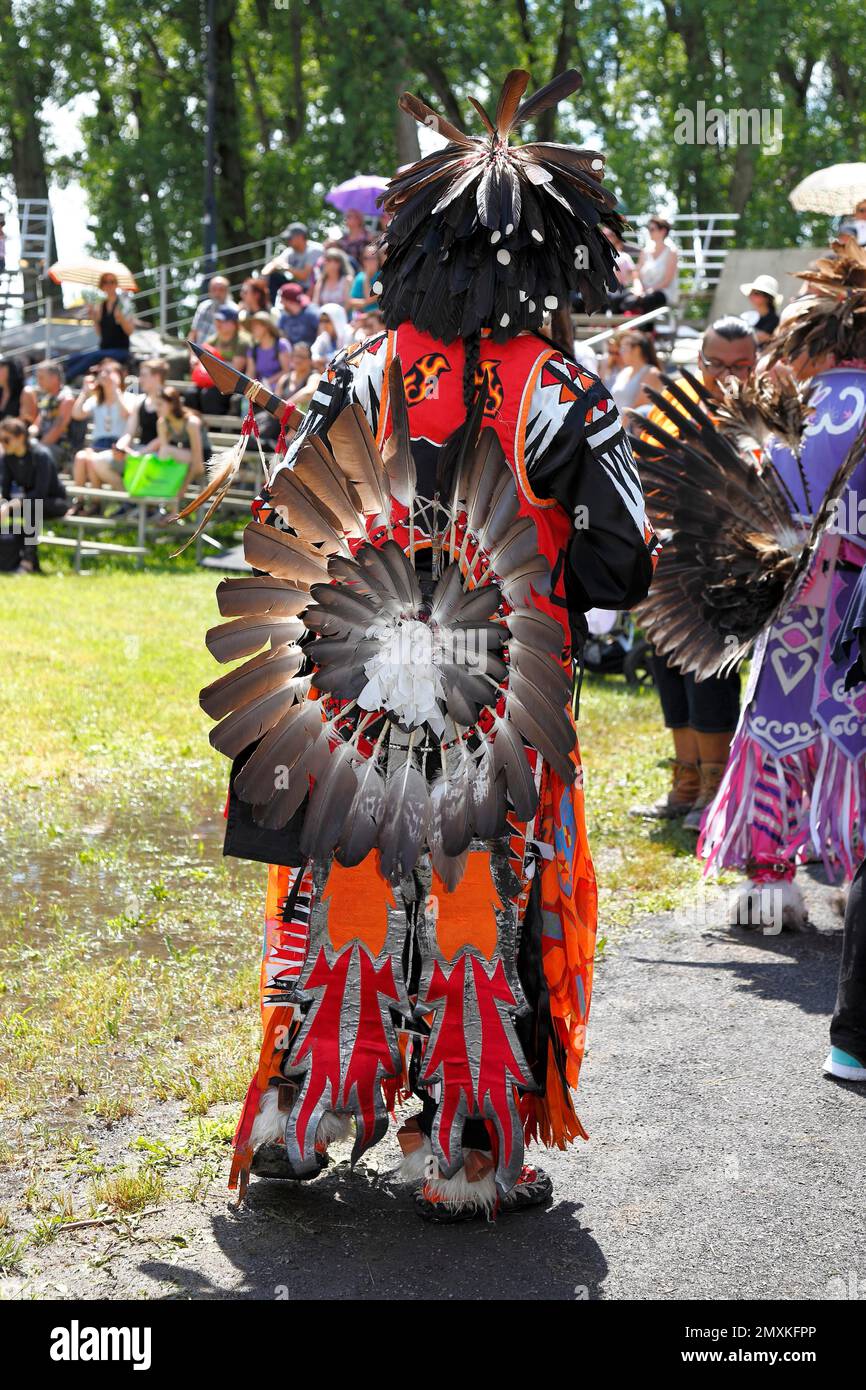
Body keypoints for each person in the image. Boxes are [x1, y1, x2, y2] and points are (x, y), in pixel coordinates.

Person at [196, 70, 658, 1217]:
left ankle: (309, 1118)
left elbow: (284, 516)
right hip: (501, 694)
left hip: (348, 683)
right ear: (543, 259)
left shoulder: (354, 371)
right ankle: (465, 1151)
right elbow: (624, 562)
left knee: (348, 870)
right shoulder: (556, 388)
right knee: (472, 892)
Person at [696, 239, 866, 927]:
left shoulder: (789, 409)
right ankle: (856, 874)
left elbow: (746, 509)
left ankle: (769, 881)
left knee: (779, 730)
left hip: (793, 605)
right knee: (855, 734)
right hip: (858, 607)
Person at [630, 317, 757, 829]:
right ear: (699, 361)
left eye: (741, 366)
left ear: (757, 363)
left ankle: (714, 791)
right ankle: (684, 786)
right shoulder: (673, 411)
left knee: (710, 678)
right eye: (716, 365)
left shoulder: (764, 417)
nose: (728, 375)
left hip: (728, 571)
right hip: (668, 566)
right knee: (670, 672)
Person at [0, 416, 69, 572]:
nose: (2, 444)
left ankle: (28, 562)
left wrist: (10, 505)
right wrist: (3, 504)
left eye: (6, 439)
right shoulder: (8, 458)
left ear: (21, 437)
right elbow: (4, 490)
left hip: (54, 502)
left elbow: (40, 493)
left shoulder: (40, 455)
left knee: (31, 505)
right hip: (30, 502)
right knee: (24, 507)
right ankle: (15, 560)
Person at [70, 360, 133, 499]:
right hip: (98, 445)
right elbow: (76, 414)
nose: (104, 375)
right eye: (102, 372)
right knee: (80, 457)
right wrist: (85, 392)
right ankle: (79, 501)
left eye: (109, 372)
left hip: (116, 447)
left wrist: (116, 389)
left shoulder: (128, 398)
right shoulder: (96, 400)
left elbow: (126, 414)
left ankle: (95, 503)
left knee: (92, 460)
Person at [63, 272, 136, 381]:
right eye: (105, 282)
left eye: (112, 282)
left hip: (121, 350)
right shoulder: (100, 305)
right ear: (101, 285)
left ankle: (65, 380)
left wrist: (121, 319)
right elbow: (100, 333)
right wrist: (93, 318)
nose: (109, 285)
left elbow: (130, 331)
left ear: (116, 284)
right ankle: (61, 376)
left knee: (94, 356)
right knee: (73, 358)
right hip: (104, 350)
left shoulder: (123, 304)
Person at [186, 307, 250, 415]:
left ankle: (214, 429)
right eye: (217, 320)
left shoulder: (242, 341)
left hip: (232, 384)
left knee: (210, 395)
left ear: (233, 323)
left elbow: (234, 371)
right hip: (212, 379)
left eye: (222, 321)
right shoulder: (213, 339)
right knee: (190, 394)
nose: (218, 324)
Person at [153, 385, 206, 506]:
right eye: (156, 405)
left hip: (202, 460)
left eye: (160, 404)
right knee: (164, 454)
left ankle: (164, 505)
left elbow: (198, 463)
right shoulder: (162, 423)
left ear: (172, 404)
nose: (157, 409)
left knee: (166, 452)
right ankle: (164, 507)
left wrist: (182, 490)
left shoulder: (191, 422)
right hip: (182, 459)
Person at [624, 215, 679, 316]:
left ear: (663, 231)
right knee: (621, 297)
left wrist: (648, 291)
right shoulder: (645, 251)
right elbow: (636, 274)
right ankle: (618, 328)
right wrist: (638, 289)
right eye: (649, 229)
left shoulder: (671, 252)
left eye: (652, 229)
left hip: (662, 292)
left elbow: (667, 281)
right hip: (643, 291)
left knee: (647, 299)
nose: (649, 232)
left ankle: (646, 331)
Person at [116, 357, 168, 460]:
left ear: (156, 377)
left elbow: (165, 436)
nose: (140, 380)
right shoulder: (139, 401)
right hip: (141, 451)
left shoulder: (168, 401)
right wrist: (120, 447)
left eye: (144, 375)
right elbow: (129, 432)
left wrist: (139, 453)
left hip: (161, 454)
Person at [262, 222, 323, 303]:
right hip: (298, 286)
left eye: (290, 238)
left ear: (300, 237)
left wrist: (286, 267)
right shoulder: (290, 251)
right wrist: (263, 277)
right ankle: (269, 307)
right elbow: (272, 265)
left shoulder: (315, 250)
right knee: (273, 277)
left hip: (313, 288)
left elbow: (304, 276)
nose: (288, 241)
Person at [31, 361, 75, 467]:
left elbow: (57, 430)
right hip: (43, 444)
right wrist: (23, 437)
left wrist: (36, 447)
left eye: (41, 378)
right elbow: (36, 425)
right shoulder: (46, 398)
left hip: (60, 448)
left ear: (54, 378)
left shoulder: (66, 398)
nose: (38, 381)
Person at [610, 330, 664, 415]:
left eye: (624, 348)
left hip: (631, 427)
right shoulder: (625, 371)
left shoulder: (652, 373)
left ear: (637, 350)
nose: (620, 352)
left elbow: (637, 408)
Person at [246, 312, 291, 389]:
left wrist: (267, 382)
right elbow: (250, 373)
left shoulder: (281, 345)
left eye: (256, 326)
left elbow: (287, 371)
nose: (253, 329)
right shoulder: (252, 349)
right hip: (259, 389)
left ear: (266, 327)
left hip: (279, 390)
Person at [189, 275, 236, 345]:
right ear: (209, 292)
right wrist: (192, 355)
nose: (217, 293)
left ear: (227, 291)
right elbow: (193, 334)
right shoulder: (203, 306)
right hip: (199, 352)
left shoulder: (234, 310)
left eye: (221, 290)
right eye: (214, 290)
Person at [739, 274, 781, 343]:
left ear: (767, 298)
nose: (750, 295)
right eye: (751, 292)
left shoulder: (774, 320)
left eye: (756, 293)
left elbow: (760, 338)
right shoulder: (748, 315)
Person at [0, 356, 37, 426]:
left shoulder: (26, 392)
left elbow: (28, 422)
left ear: (11, 369)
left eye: (0, 366)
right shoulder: (1, 391)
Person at [310, 303, 349, 369]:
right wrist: (318, 359)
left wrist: (325, 359)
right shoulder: (324, 336)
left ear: (336, 319)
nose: (323, 324)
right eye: (321, 321)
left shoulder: (350, 333)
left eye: (327, 321)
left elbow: (347, 353)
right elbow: (314, 350)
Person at [348, 244, 382, 317]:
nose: (369, 261)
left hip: (377, 317)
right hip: (362, 316)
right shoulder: (359, 277)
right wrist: (366, 303)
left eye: (373, 258)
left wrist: (366, 276)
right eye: (366, 258)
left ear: (378, 259)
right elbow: (351, 301)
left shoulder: (383, 276)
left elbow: (370, 297)